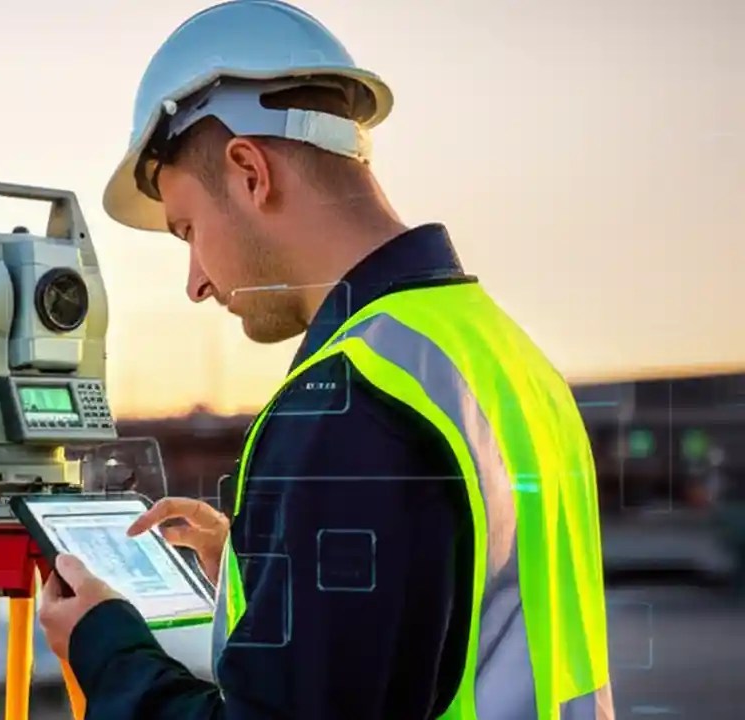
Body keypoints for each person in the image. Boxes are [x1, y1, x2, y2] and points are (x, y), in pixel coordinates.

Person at [36, 1, 615, 718]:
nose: (195, 282)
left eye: (189, 229)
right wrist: (268, 568)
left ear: (250, 172)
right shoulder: (503, 355)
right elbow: (456, 617)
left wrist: (107, 647)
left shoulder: (348, 400)